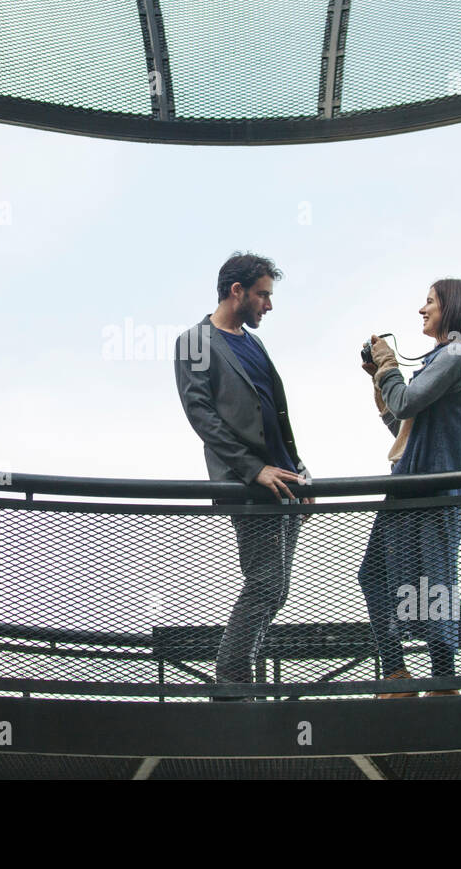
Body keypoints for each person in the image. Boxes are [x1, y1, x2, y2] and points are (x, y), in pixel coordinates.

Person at [174, 252, 313, 697]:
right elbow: (202, 416)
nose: (268, 306)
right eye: (262, 295)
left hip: (285, 481)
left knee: (277, 589)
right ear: (237, 292)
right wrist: (253, 470)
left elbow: (276, 414)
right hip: (250, 483)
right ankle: (232, 679)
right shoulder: (196, 340)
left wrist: (301, 471)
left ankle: (236, 675)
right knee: (266, 582)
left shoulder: (254, 344)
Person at [359, 279, 461, 698]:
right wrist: (381, 381)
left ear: (452, 308)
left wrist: (387, 368)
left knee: (433, 582)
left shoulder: (455, 355)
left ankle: (439, 680)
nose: (422, 309)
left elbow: (405, 403)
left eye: (430, 302)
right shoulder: (445, 358)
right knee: (379, 575)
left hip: (432, 487)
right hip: (414, 483)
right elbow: (404, 428)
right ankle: (403, 675)